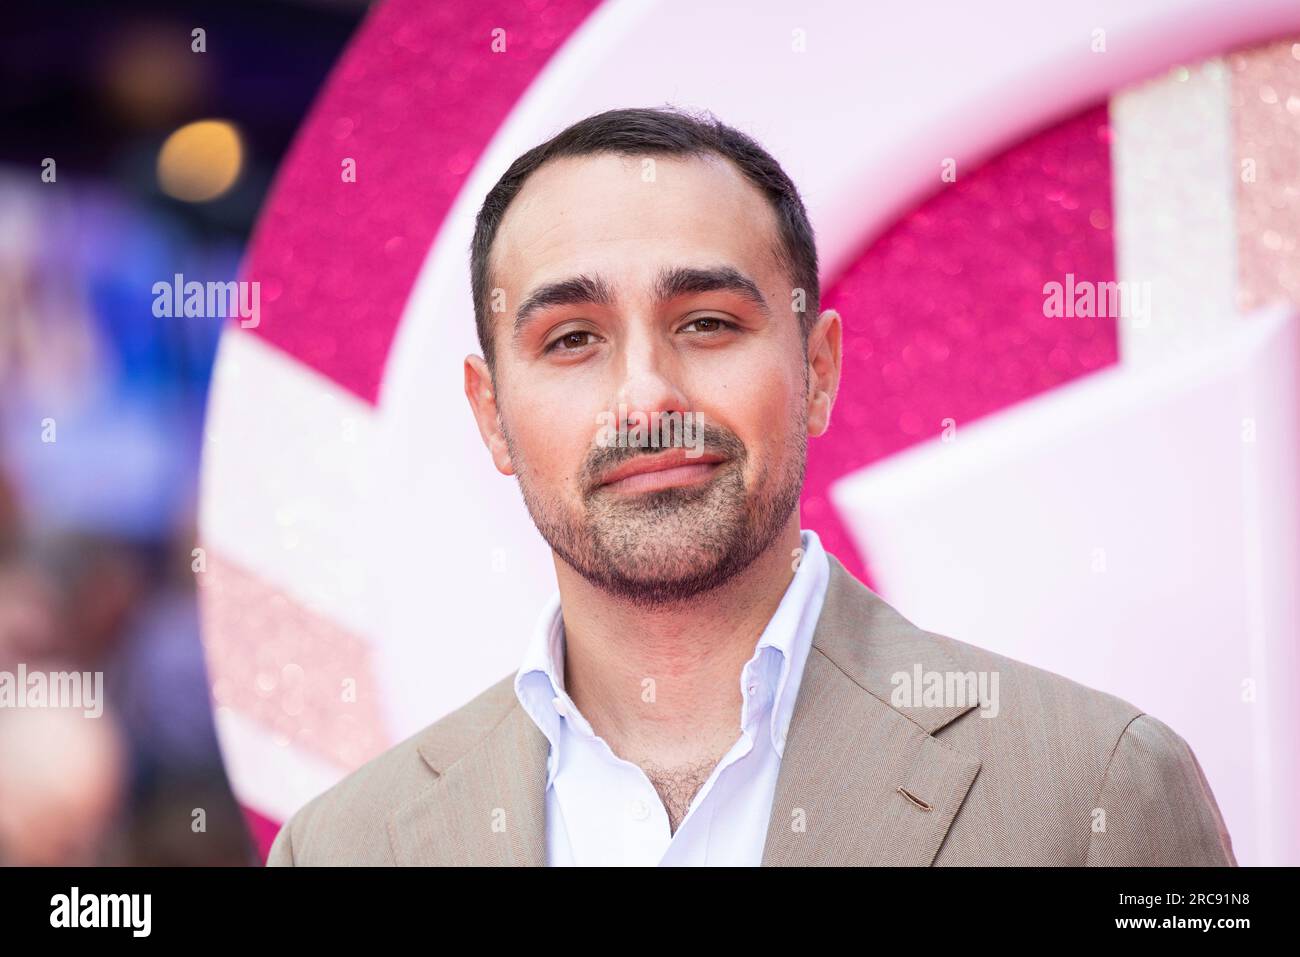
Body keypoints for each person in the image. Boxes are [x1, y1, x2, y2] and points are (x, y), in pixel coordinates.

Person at [267, 106, 1235, 866]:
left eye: (708, 323)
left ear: (816, 370)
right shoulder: (346, 847)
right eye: (572, 341)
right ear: (491, 416)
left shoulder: (1100, 786)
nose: (646, 396)